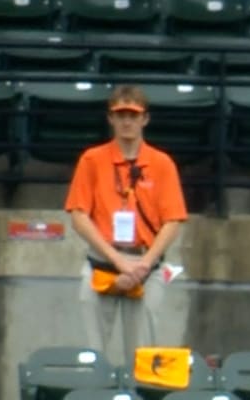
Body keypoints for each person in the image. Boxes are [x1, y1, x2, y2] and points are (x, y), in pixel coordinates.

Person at [64, 85, 189, 367]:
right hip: (103, 263)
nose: (127, 121)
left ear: (145, 118)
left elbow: (173, 220)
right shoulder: (92, 159)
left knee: (143, 357)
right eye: (120, 115)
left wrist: (143, 264)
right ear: (110, 118)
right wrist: (118, 261)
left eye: (133, 115)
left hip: (146, 264)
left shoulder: (161, 163)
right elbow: (79, 215)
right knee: (93, 356)